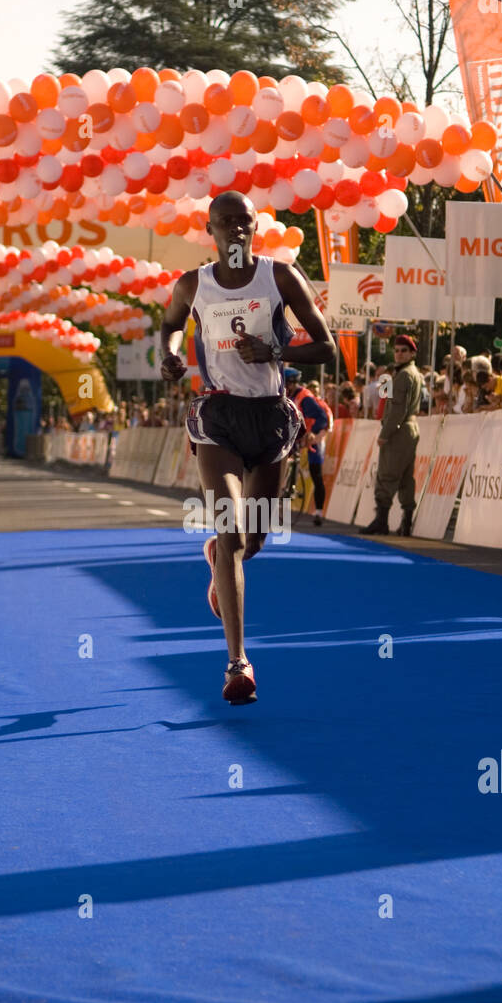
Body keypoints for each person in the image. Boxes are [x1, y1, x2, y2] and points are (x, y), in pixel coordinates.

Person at [159, 190, 335, 704]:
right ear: (210, 230)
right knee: (231, 528)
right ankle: (238, 663)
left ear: (255, 227)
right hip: (218, 416)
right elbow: (170, 327)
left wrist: (275, 349)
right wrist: (169, 356)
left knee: (252, 540)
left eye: (245, 222)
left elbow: (327, 346)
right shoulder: (194, 284)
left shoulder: (279, 277)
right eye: (226, 223)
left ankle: (219, 560)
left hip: (271, 416)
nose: (236, 230)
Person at [360, 334, 423, 537]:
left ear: (412, 353)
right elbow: (386, 401)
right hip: (407, 427)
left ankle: (382, 521)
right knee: (405, 477)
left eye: (404, 350)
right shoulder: (406, 373)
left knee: (387, 474)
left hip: (398, 429)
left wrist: (385, 433)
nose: (399, 354)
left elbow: (396, 408)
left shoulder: (404, 375)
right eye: (397, 350)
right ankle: (406, 522)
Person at [285, 369, 331, 526]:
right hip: (299, 436)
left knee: (315, 473)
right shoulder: (288, 395)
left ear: (291, 383)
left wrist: (313, 433)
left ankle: (319, 512)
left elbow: (322, 418)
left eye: (285, 384)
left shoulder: (305, 398)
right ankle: (285, 487)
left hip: (315, 436)